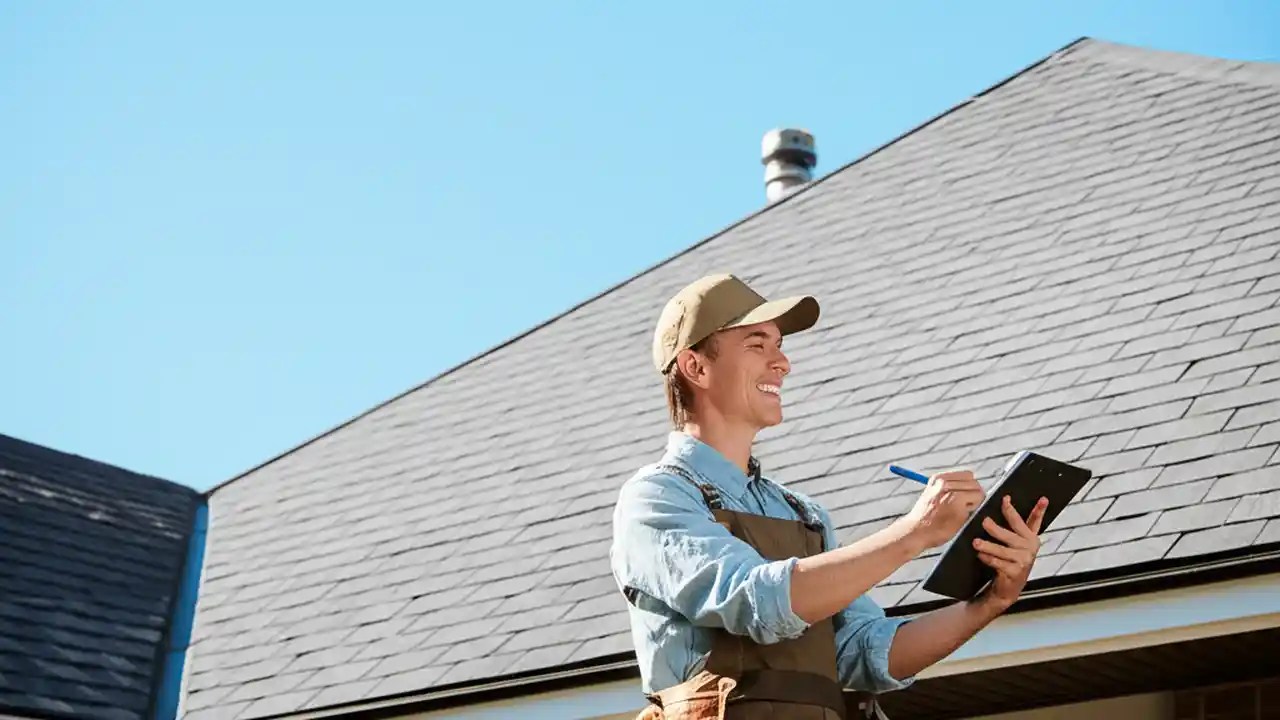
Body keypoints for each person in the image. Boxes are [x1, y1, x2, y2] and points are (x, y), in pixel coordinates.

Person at [610, 273, 1049, 720]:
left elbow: (865, 653)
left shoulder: (804, 514)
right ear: (696, 367)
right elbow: (757, 601)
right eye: (757, 345)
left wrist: (990, 601)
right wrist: (915, 532)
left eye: (779, 345)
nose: (782, 363)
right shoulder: (656, 498)